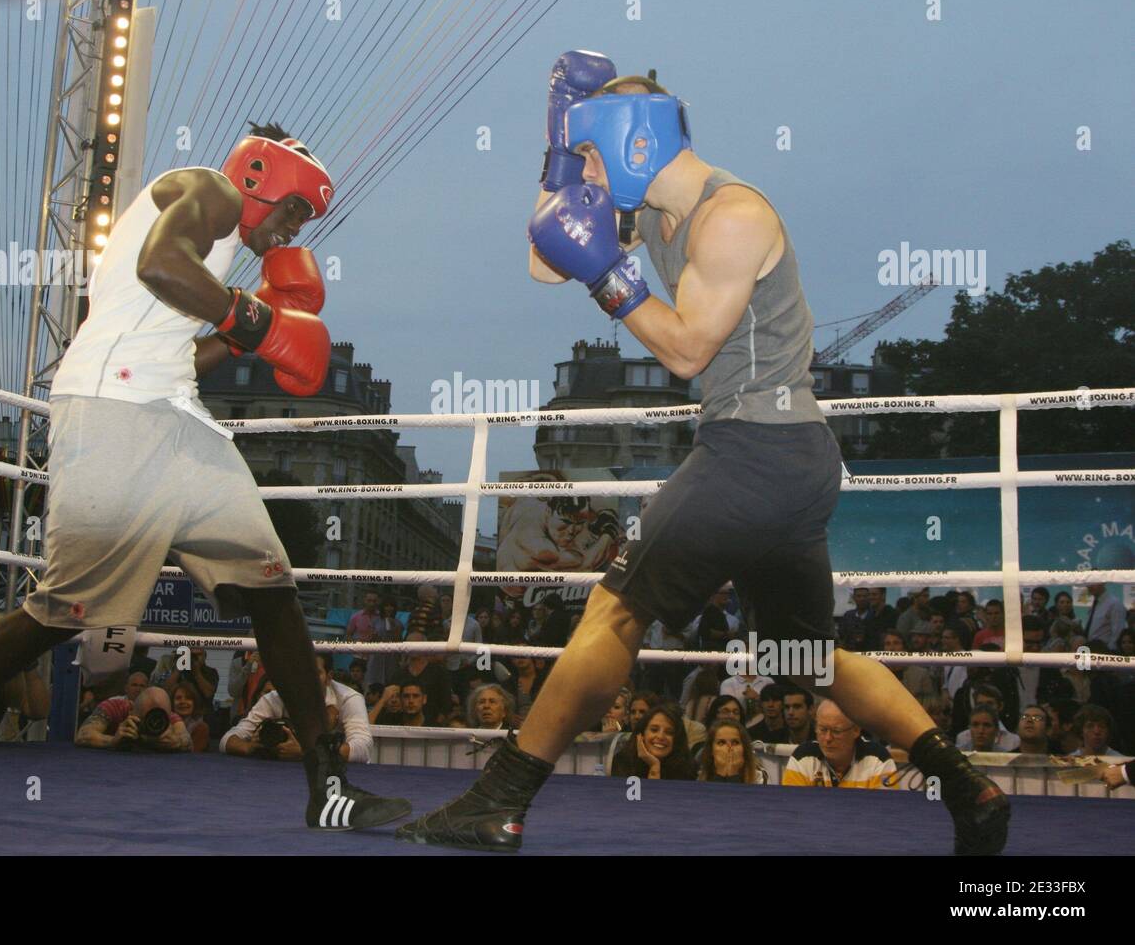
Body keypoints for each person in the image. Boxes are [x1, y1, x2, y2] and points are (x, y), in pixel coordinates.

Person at [397, 51, 1007, 855]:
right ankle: (968, 788)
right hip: (777, 459)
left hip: (758, 450)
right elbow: (547, 259)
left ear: (632, 141)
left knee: (615, 608)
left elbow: (684, 351)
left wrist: (610, 279)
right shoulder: (654, 211)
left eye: (589, 152)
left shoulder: (734, 215)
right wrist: (556, 150)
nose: (583, 171)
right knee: (808, 655)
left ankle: (499, 801)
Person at [0, 121, 409, 832]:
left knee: (272, 589)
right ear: (258, 179)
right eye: (295, 211)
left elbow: (183, 351)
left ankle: (327, 786)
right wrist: (255, 320)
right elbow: (159, 265)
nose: (292, 231)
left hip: (177, 417)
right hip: (111, 409)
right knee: (65, 608)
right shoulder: (206, 190)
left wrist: (265, 328)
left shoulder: (217, 251)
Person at [222, 654, 373, 764]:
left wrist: (306, 753)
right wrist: (249, 747)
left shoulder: (349, 698)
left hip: (337, 778)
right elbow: (226, 740)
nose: (307, 679)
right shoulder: (275, 698)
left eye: (315, 673)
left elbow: (362, 749)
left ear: (328, 677)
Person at [781, 700, 897, 789]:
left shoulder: (878, 760)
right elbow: (793, 810)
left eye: (836, 731)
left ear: (856, 730)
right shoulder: (802, 757)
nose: (828, 738)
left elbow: (885, 813)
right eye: (822, 729)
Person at [609, 704, 697, 781]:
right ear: (641, 734)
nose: (660, 736)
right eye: (654, 730)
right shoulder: (622, 762)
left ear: (677, 740)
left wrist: (654, 766)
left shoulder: (688, 769)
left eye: (669, 732)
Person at [697, 720, 767, 783]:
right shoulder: (699, 776)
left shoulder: (759, 777)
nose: (729, 748)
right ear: (711, 750)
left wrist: (733, 773)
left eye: (735, 742)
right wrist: (720, 773)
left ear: (744, 749)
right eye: (721, 742)